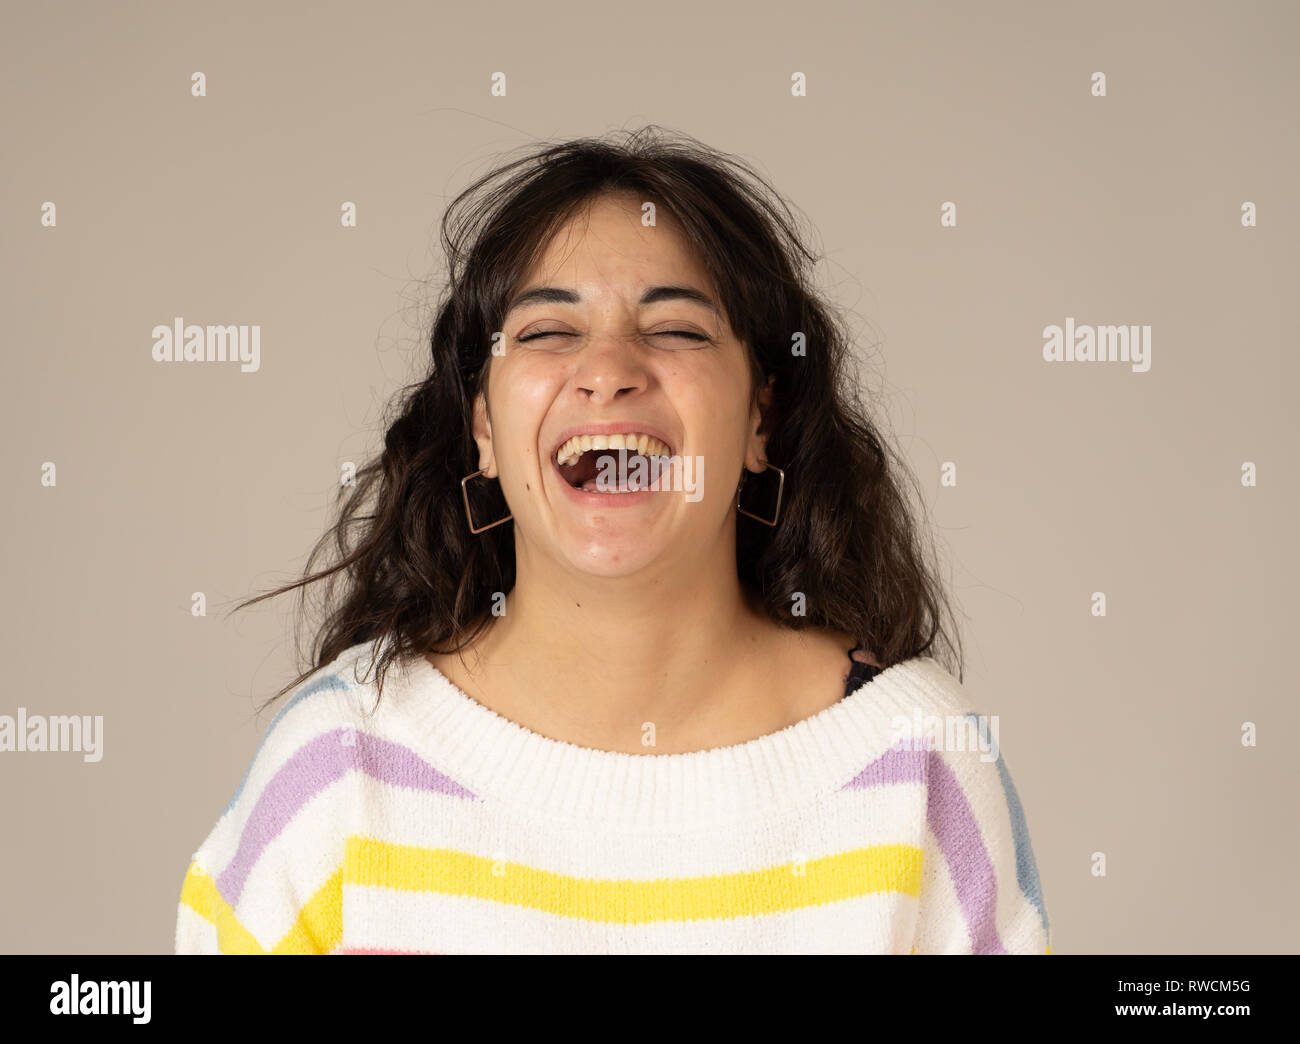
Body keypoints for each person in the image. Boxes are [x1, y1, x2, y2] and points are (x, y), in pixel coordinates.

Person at [174, 127, 1051, 954]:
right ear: (482, 424)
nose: (608, 370)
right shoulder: (335, 771)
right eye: (549, 331)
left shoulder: (921, 766)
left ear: (760, 419)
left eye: (675, 329)